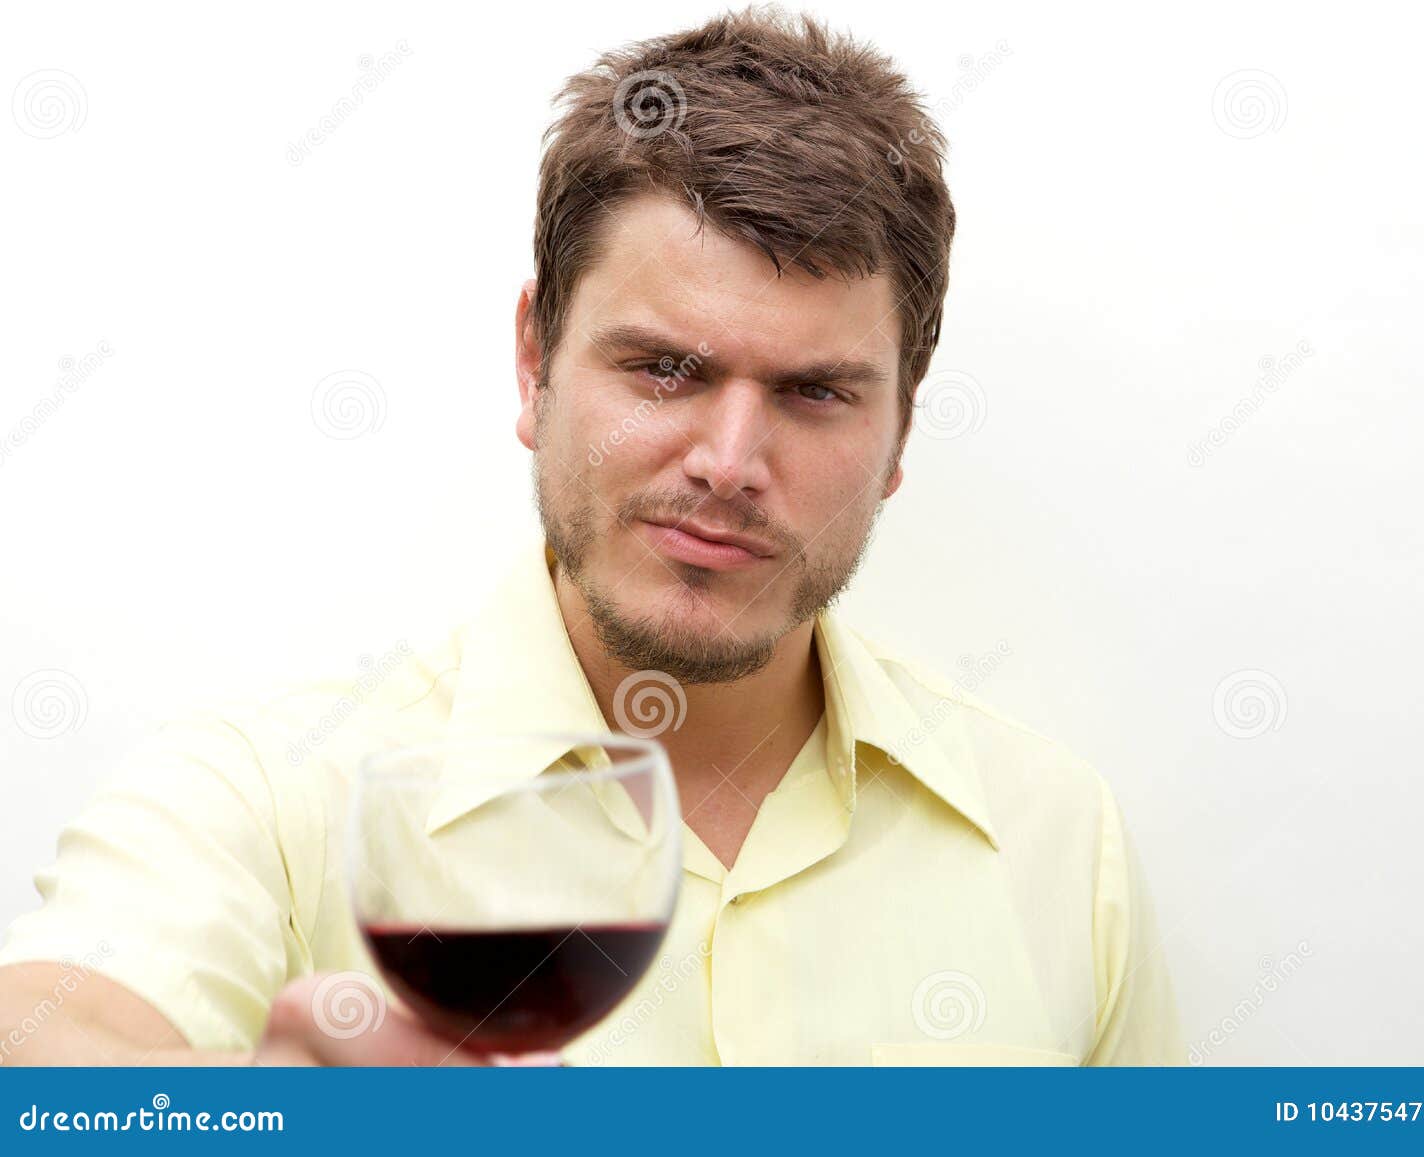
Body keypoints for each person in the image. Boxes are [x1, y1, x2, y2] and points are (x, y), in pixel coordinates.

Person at [0, 4, 1183, 1066]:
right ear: (535, 362)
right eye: (663, 368)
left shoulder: (1058, 843)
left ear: (901, 429)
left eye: (815, 391)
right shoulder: (264, 795)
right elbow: (54, 1034)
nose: (728, 460)